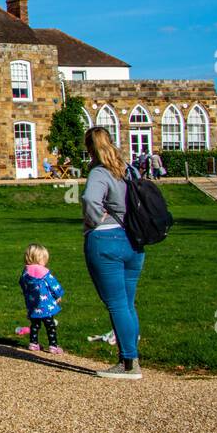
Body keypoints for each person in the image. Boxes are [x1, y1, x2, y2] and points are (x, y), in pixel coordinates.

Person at [82, 126, 146, 379]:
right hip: (134, 241)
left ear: (90, 148)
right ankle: (131, 358)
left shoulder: (100, 172)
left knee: (117, 303)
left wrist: (93, 222)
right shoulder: (128, 170)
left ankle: (129, 362)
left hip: (106, 242)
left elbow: (89, 199)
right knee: (127, 303)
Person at [18, 243, 64, 354]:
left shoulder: (25, 271)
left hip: (33, 303)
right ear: (39, 258)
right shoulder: (43, 271)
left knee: (35, 324)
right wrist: (58, 295)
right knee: (50, 325)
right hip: (46, 304)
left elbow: (22, 284)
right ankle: (53, 346)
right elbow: (53, 284)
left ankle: (33, 343)